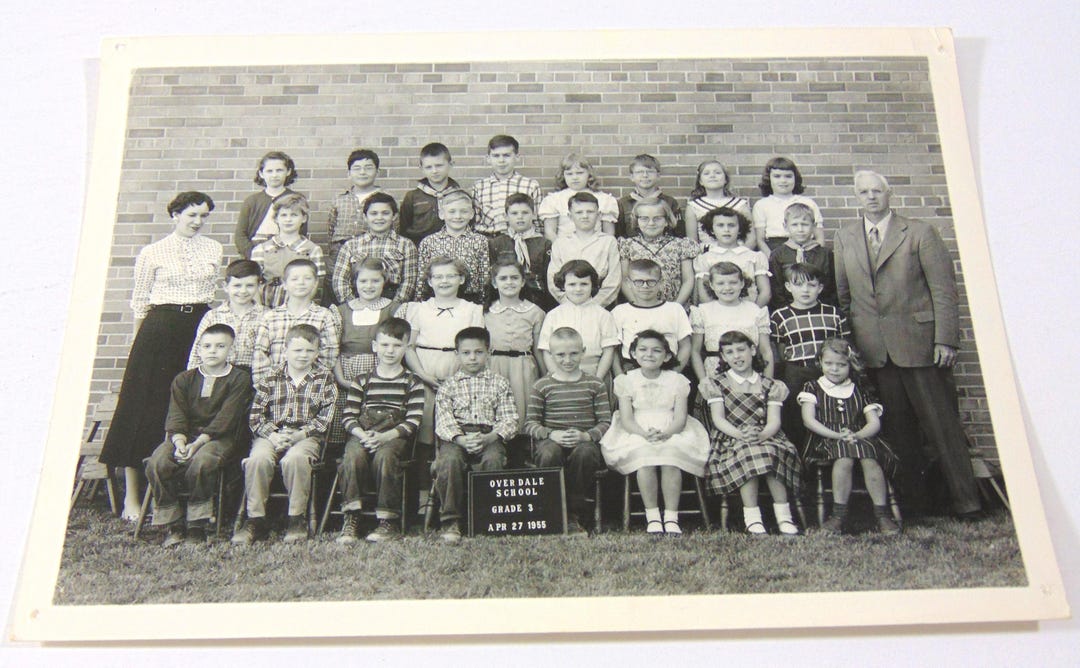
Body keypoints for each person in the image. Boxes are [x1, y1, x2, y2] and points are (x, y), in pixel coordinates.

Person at [834, 170, 982, 519]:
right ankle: (916, 507)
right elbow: (844, 295)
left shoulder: (919, 232)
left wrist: (945, 339)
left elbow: (943, 291)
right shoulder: (844, 237)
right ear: (856, 197)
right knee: (898, 433)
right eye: (863, 192)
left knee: (942, 428)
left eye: (877, 191)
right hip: (874, 351)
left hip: (920, 346)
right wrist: (852, 344)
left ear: (889, 194)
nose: (871, 197)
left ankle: (968, 503)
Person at [99, 191, 222, 521]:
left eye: (203, 216)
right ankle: (132, 497)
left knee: (191, 404)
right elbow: (140, 301)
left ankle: (182, 490)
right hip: (160, 329)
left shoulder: (213, 249)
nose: (197, 222)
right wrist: (139, 345)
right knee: (144, 407)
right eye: (191, 215)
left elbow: (210, 293)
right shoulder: (152, 252)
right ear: (175, 215)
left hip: (198, 327)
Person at [145, 324, 253, 546]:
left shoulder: (239, 378)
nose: (213, 351)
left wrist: (197, 445)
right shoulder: (184, 379)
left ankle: (196, 525)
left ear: (231, 350)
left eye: (220, 346)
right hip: (185, 436)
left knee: (202, 462)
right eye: (207, 346)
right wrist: (180, 443)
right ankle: (174, 525)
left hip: (220, 438)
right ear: (199, 350)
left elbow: (226, 418)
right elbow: (176, 416)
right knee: (157, 461)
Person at [233, 324, 338, 544]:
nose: (303, 355)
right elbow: (255, 416)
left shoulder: (324, 378)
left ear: (317, 353)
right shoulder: (271, 377)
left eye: (309, 351)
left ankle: (296, 518)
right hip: (272, 434)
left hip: (305, 436)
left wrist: (300, 435)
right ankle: (255, 520)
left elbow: (325, 417)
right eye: (297, 350)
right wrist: (273, 435)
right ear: (285, 350)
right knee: (257, 460)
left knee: (295, 459)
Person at [600, 330, 710, 535]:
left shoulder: (677, 380)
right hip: (637, 430)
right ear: (633, 353)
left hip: (671, 428)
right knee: (644, 457)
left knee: (671, 456)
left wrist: (667, 433)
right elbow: (627, 419)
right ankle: (652, 516)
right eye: (643, 349)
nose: (649, 354)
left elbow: (680, 418)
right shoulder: (626, 380)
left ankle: (671, 517)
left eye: (656, 350)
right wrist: (644, 434)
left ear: (667, 356)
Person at [702, 331, 802, 535]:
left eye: (741, 350)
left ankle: (784, 517)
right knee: (748, 454)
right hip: (731, 438)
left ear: (753, 350)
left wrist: (762, 435)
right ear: (723, 357)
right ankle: (752, 518)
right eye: (730, 352)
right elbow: (718, 420)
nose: (737, 356)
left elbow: (774, 421)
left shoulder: (770, 385)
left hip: (767, 435)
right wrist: (741, 435)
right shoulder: (717, 384)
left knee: (771, 452)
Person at [336, 317, 426, 544]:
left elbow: (413, 421)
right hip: (363, 434)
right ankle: (352, 517)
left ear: (406, 348)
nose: (390, 351)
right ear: (375, 346)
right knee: (352, 456)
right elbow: (348, 417)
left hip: (393, 437)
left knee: (385, 458)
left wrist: (385, 437)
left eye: (397, 345)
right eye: (385, 345)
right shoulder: (362, 380)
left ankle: (388, 521)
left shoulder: (412, 381)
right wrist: (362, 435)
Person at [798, 338, 900, 535]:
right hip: (825, 439)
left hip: (859, 437)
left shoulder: (860, 389)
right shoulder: (813, 387)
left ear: (850, 365)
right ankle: (838, 515)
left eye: (841, 365)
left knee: (869, 456)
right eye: (829, 363)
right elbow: (809, 420)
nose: (834, 369)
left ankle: (882, 514)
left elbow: (874, 423)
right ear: (820, 362)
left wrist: (857, 435)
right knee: (844, 455)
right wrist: (837, 435)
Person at [522, 327, 612, 536]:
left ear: (583, 352)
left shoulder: (594, 384)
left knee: (585, 453)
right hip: (551, 440)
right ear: (551, 355)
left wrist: (586, 436)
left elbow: (605, 421)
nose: (567, 360)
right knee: (549, 453)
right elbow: (530, 423)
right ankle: (551, 511)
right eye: (560, 355)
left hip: (583, 441)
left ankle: (573, 515)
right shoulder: (542, 386)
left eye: (573, 354)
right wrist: (550, 434)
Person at [433, 327, 518, 544]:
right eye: (466, 353)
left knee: (493, 459)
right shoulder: (448, 386)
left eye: (478, 352)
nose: (472, 358)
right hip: (457, 437)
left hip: (489, 435)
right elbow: (443, 420)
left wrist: (491, 437)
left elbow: (509, 419)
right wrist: (460, 439)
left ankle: (488, 517)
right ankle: (451, 520)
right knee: (449, 461)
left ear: (489, 353)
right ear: (457, 354)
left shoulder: (499, 383)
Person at [396, 256, 485, 449]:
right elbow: (409, 347)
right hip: (424, 369)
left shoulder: (472, 310)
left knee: (455, 422)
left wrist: (458, 376)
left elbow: (475, 348)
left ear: (461, 279)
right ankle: (423, 462)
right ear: (429, 281)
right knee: (424, 423)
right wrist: (423, 375)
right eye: (438, 277)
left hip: (459, 372)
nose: (444, 281)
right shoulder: (418, 309)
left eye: (451, 276)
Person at [770, 263, 850, 450]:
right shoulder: (780, 316)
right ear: (788, 287)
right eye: (798, 285)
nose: (805, 290)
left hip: (828, 373)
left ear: (820, 288)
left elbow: (845, 346)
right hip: (797, 372)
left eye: (811, 285)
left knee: (829, 413)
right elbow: (780, 350)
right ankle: (804, 458)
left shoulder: (834, 313)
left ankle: (833, 452)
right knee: (798, 417)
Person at [327, 258, 396, 448]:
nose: (369, 286)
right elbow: (334, 349)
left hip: (379, 375)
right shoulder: (342, 311)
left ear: (384, 282)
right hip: (346, 375)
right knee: (346, 417)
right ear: (355, 282)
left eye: (375, 281)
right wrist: (341, 379)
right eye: (363, 281)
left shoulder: (393, 309)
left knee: (374, 419)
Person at [484, 261, 545, 464]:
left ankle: (521, 460)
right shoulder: (486, 312)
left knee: (522, 411)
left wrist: (545, 375)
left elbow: (538, 348)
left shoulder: (535, 312)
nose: (509, 282)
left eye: (514, 278)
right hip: (495, 366)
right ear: (494, 283)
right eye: (503, 278)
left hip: (523, 366)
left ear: (522, 282)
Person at [251, 258, 341, 386]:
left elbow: (329, 355)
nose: (301, 283)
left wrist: (311, 383)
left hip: (312, 387)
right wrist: (265, 386)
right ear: (284, 284)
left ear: (315, 283)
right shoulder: (271, 317)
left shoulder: (324, 316)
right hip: (275, 387)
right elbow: (260, 355)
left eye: (307, 278)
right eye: (294, 279)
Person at [690, 261, 775, 382]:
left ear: (742, 283)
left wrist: (767, 382)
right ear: (712, 285)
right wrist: (704, 382)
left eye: (733, 282)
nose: (727, 288)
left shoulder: (755, 311)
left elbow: (766, 351)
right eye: (720, 283)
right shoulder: (703, 311)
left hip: (750, 373)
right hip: (715, 374)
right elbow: (695, 351)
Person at [330, 192, 418, 306]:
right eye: (374, 213)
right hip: (357, 300)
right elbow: (340, 280)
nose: (379, 218)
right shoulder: (350, 246)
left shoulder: (406, 245)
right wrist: (353, 305)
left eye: (385, 213)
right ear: (365, 217)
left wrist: (393, 307)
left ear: (394, 216)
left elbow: (409, 282)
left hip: (392, 301)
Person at [537, 260, 618, 381]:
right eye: (572, 284)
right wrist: (557, 378)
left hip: (595, 373)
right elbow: (546, 351)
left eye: (584, 284)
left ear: (592, 285)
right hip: (560, 375)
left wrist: (597, 379)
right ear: (563, 286)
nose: (578, 289)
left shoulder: (603, 315)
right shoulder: (553, 315)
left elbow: (608, 351)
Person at [324, 148, 385, 305]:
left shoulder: (384, 200)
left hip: (369, 252)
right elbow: (331, 229)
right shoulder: (340, 200)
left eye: (368, 168)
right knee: (335, 292)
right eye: (357, 168)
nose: (362, 172)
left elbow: (393, 229)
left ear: (377, 172)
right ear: (349, 173)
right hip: (339, 253)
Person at [611, 259, 692, 375]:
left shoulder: (675, 309)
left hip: (668, 368)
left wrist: (673, 374)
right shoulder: (620, 311)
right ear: (628, 283)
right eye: (638, 282)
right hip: (631, 370)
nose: (645, 286)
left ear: (660, 283)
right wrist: (620, 376)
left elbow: (685, 346)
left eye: (651, 282)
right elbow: (613, 350)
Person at [187, 259, 266, 373]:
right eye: (237, 285)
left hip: (253, 376)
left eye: (249, 285)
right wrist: (193, 378)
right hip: (219, 374)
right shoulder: (212, 316)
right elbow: (196, 353)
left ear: (259, 286)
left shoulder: (267, 316)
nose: (243, 291)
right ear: (225, 286)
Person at [617, 198, 698, 307]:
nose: (651, 223)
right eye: (644, 218)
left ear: (667, 221)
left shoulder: (681, 245)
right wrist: (638, 305)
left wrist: (676, 307)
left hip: (674, 307)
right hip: (639, 308)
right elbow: (624, 280)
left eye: (657, 218)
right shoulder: (627, 245)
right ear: (637, 221)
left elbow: (688, 280)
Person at [249, 193, 326, 308]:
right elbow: (252, 282)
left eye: (294, 215)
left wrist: (299, 308)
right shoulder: (261, 250)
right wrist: (260, 310)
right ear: (276, 218)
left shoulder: (312, 250)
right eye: (283, 215)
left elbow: (316, 285)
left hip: (298, 308)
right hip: (267, 308)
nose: (288, 220)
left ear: (304, 218)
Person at [547, 192, 622, 308]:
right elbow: (552, 278)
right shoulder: (560, 243)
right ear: (570, 216)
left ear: (599, 215)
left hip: (600, 304)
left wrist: (595, 304)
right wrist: (567, 303)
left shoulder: (608, 242)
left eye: (590, 212)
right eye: (579, 212)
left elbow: (613, 279)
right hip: (568, 304)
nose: (585, 216)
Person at [416, 189, 490, 303]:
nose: (458, 216)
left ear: (471, 214)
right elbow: (422, 277)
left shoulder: (480, 241)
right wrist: (419, 301)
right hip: (437, 299)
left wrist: (483, 303)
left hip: (470, 299)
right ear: (442, 214)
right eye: (452, 211)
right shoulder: (429, 242)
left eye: (464, 211)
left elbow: (484, 276)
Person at [487, 193, 554, 311]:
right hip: (504, 298)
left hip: (537, 299)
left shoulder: (544, 244)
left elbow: (548, 279)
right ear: (506, 216)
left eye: (525, 213)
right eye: (514, 213)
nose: (520, 217)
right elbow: (492, 276)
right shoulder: (496, 244)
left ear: (533, 215)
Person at [693, 207, 771, 307]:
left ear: (739, 229)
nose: (726, 230)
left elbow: (765, 292)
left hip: (749, 311)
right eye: (720, 225)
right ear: (712, 230)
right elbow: (703, 295)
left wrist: (752, 311)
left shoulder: (754, 257)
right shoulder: (705, 259)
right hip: (716, 313)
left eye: (731, 225)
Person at [471, 134, 543, 237]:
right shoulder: (479, 187)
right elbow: (475, 223)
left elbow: (538, 223)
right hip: (488, 239)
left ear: (517, 157)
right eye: (496, 156)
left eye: (506, 155)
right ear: (488, 158)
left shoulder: (530, 185)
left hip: (521, 239)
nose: (501, 161)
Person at [767, 202, 836, 310]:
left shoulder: (825, 254)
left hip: (820, 308)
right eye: (794, 225)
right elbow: (777, 288)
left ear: (813, 226)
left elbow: (831, 286)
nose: (800, 229)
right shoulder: (778, 255)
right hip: (788, 310)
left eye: (805, 224)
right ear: (785, 226)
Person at [234, 151, 302, 259]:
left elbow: (301, 232)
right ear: (261, 174)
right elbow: (240, 235)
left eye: (279, 170)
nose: (274, 175)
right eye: (269, 171)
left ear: (288, 171)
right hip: (255, 250)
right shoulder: (252, 201)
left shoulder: (296, 200)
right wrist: (253, 254)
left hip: (285, 250)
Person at [538, 152, 619, 240]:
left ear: (589, 174)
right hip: (564, 246)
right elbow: (550, 232)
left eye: (580, 173)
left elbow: (609, 234)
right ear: (563, 175)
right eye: (569, 174)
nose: (575, 177)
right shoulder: (554, 200)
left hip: (596, 246)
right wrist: (561, 247)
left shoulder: (604, 199)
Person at [751, 156, 824, 254]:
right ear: (769, 179)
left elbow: (819, 237)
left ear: (795, 178)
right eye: (777, 176)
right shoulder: (761, 205)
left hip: (805, 248)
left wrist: (815, 256)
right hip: (774, 249)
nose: (783, 181)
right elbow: (760, 240)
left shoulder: (808, 203)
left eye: (788, 176)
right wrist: (772, 259)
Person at [399, 142, 463, 247]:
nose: (434, 171)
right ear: (421, 168)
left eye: (439, 165)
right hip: (420, 249)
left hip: (453, 249)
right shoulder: (412, 197)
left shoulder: (460, 196)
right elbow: (404, 229)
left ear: (451, 164)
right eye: (428, 167)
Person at [683, 159, 752, 249]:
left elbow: (751, 239)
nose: (712, 176)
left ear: (726, 179)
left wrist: (739, 254)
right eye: (706, 173)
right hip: (708, 253)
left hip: (738, 252)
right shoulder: (693, 207)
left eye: (718, 173)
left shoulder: (740, 205)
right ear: (700, 181)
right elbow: (692, 242)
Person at [614, 154, 684, 238]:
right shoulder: (623, 203)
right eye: (639, 172)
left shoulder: (670, 202)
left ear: (658, 176)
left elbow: (679, 234)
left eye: (650, 171)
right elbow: (619, 235)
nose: (645, 175)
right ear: (632, 177)